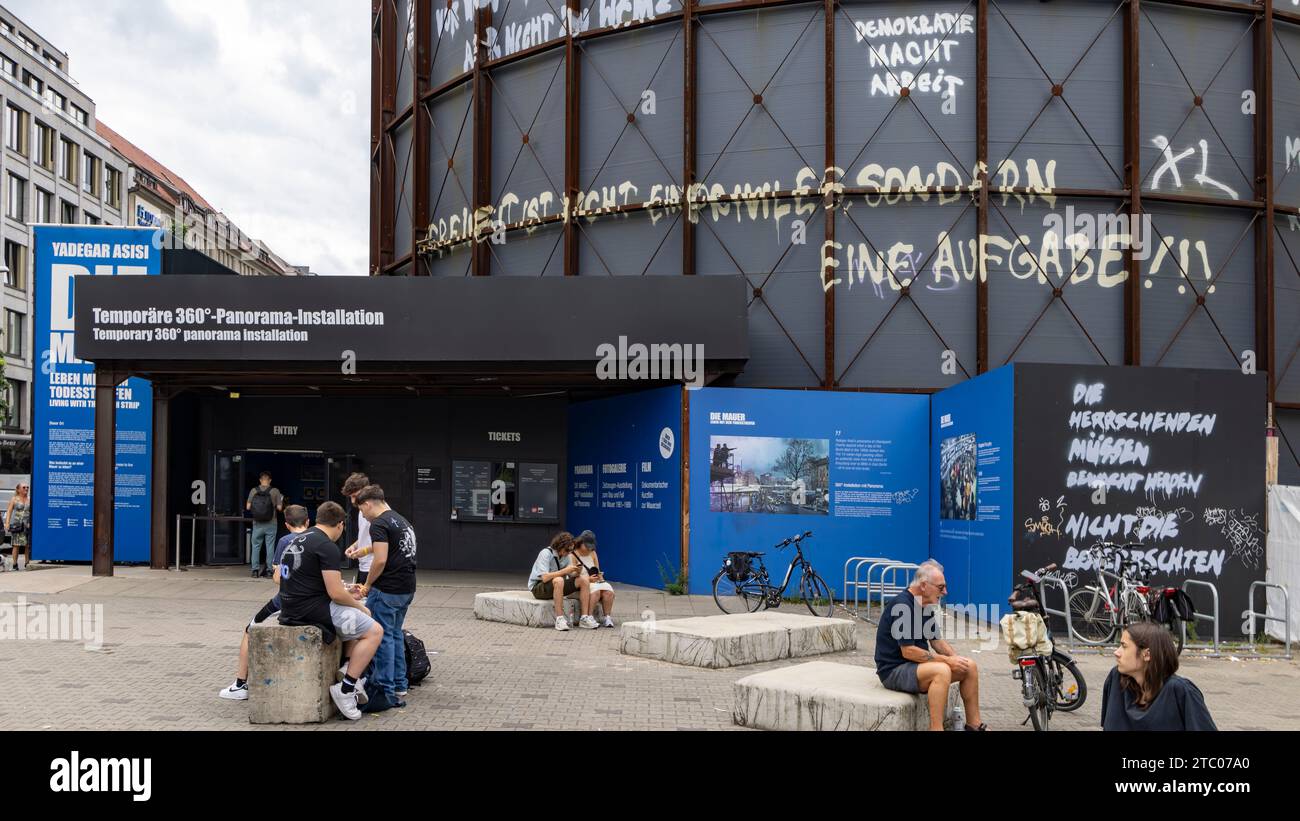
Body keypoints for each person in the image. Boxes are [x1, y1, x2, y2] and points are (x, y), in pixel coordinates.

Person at [278, 500, 383, 721]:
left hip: (290, 606)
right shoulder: (327, 547)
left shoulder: (297, 539)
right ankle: (346, 688)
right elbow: (335, 594)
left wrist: (347, 591)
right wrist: (359, 606)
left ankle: (347, 667)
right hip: (311, 611)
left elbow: (309, 580)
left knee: (352, 612)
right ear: (340, 524)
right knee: (374, 630)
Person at [874, 559, 986, 731]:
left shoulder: (923, 604)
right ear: (924, 585)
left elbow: (936, 641)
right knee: (941, 670)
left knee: (969, 666)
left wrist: (955, 658)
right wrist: (947, 661)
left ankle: (974, 725)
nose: (945, 592)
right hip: (894, 670)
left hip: (916, 666)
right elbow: (908, 652)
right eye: (941, 587)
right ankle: (936, 728)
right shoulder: (903, 605)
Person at [219, 505, 311, 700]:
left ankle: (240, 684)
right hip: (312, 602)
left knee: (249, 630)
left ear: (287, 524)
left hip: (284, 601)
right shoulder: (318, 540)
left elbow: (278, 578)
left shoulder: (285, 541)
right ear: (308, 522)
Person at [348, 484, 417, 707]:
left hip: (386, 589)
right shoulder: (400, 520)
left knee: (381, 636)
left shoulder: (378, 523)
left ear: (368, 504)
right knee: (395, 634)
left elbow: (380, 560)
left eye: (361, 510)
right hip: (406, 587)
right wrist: (365, 550)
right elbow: (391, 548)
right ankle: (399, 684)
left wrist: (367, 585)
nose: (362, 516)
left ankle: (384, 688)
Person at [1101, 622, 1217, 731]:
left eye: (1124, 646)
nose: (1116, 652)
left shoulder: (1181, 691)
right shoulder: (1116, 680)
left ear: (1147, 654)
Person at [528, 532, 596, 631]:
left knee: (584, 579)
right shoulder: (546, 553)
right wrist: (564, 571)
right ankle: (559, 619)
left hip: (557, 585)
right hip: (539, 588)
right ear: (560, 546)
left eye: (571, 550)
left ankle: (584, 618)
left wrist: (577, 572)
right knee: (559, 580)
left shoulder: (566, 556)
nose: (569, 552)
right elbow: (545, 577)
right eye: (567, 550)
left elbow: (570, 575)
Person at [571, 530, 615, 628]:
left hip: (595, 580)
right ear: (580, 542)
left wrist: (600, 578)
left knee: (608, 591)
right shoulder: (573, 554)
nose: (589, 549)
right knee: (596, 591)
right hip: (582, 582)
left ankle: (607, 617)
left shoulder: (593, 553)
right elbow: (572, 575)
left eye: (590, 547)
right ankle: (589, 616)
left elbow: (597, 569)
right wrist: (588, 579)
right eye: (587, 546)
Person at [245, 471, 284, 578]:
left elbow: (248, 507)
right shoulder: (275, 491)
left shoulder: (254, 490)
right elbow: (280, 508)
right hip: (271, 523)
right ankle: (269, 571)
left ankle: (255, 571)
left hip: (257, 523)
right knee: (270, 546)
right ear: (270, 480)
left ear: (260, 480)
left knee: (256, 546)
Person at [340, 472, 372, 584]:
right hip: (363, 566)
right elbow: (366, 535)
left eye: (355, 496)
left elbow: (385, 542)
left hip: (373, 567)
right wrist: (354, 546)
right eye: (351, 497)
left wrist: (365, 550)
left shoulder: (375, 511)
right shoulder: (361, 510)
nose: (353, 501)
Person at [4, 482, 31, 572]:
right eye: (24, 487)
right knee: (16, 545)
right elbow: (9, 511)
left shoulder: (30, 499)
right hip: (17, 525)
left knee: (27, 545)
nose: (26, 489)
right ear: (18, 489)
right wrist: (7, 523)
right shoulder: (14, 499)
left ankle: (27, 563)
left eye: (27, 487)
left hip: (27, 525)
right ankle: (15, 564)